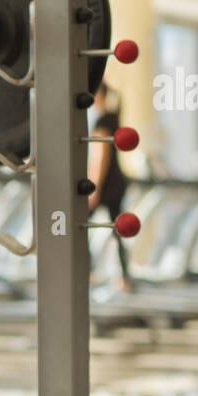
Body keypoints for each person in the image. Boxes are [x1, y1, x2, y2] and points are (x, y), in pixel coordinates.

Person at [85, 82, 131, 290]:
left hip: (105, 184)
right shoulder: (114, 117)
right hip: (118, 182)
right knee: (118, 230)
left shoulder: (102, 122)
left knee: (81, 227)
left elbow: (100, 155)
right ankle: (124, 277)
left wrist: (93, 186)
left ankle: (88, 271)